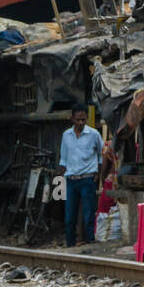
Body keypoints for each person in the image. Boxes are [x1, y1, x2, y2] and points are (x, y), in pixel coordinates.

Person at [57, 104, 104, 248]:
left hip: (87, 178)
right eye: (78, 120)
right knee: (69, 216)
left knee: (89, 214)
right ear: (72, 119)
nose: (81, 123)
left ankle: (90, 243)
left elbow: (101, 155)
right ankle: (70, 245)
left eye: (83, 120)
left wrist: (98, 174)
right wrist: (61, 179)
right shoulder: (66, 135)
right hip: (71, 180)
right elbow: (63, 159)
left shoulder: (94, 134)